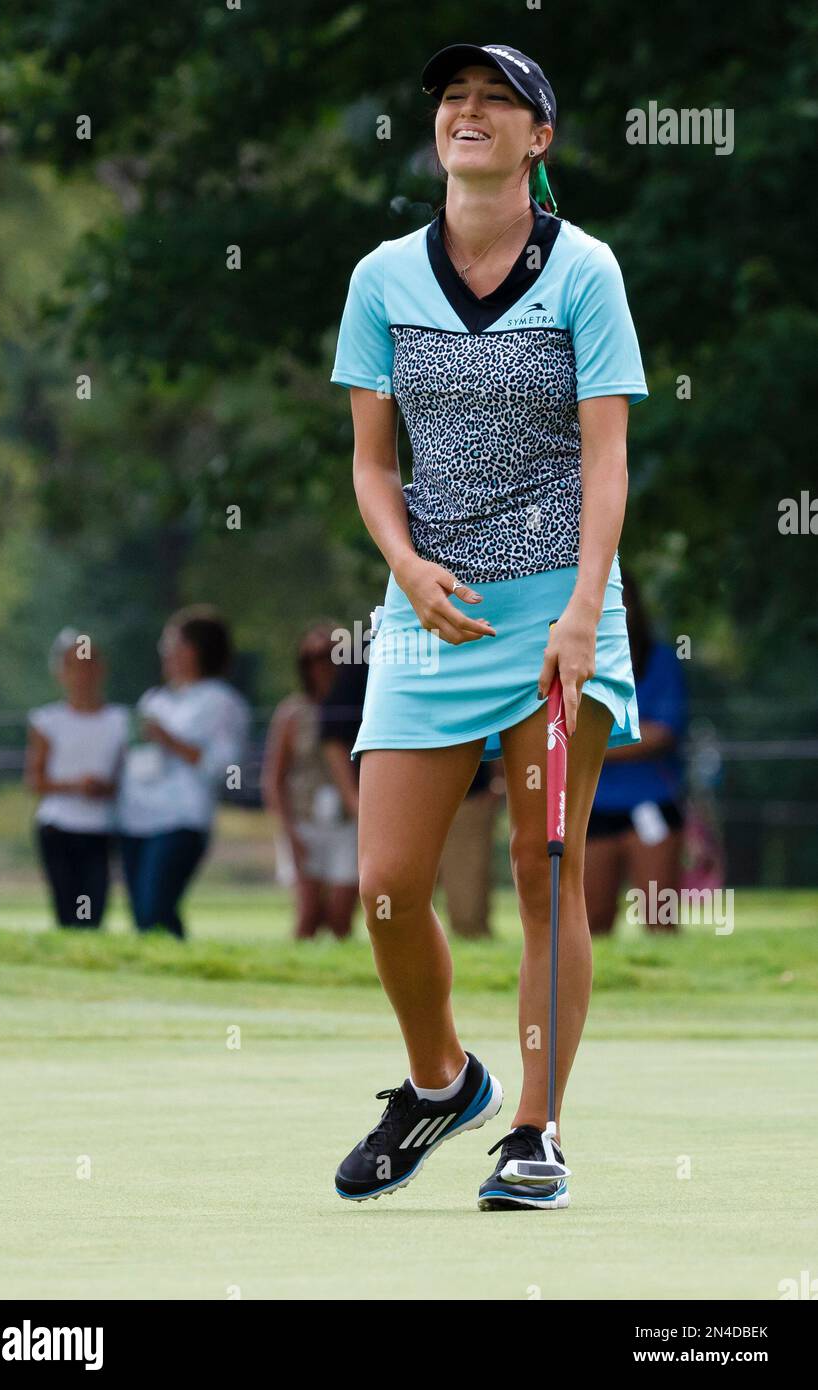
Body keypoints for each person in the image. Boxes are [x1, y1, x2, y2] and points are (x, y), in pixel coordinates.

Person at [329, 43, 648, 1210]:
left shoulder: (585, 272)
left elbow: (607, 460)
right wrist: (405, 567)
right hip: (427, 610)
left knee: (537, 865)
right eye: (452, 100)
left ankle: (534, 1130)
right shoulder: (381, 278)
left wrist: (579, 614)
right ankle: (438, 1080)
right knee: (385, 883)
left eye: (494, 101)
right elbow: (372, 465)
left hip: (558, 610)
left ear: (537, 139)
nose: (466, 113)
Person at [117, 606, 250, 938]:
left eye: (172, 644)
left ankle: (175, 972)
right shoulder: (154, 700)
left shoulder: (222, 702)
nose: (166, 653)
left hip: (181, 819)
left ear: (193, 650)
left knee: (155, 910)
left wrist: (171, 741)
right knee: (142, 916)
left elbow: (225, 767)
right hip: (136, 818)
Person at [585, 569, 688, 934]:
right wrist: (626, 740)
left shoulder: (660, 659)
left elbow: (662, 733)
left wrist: (591, 746)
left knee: (659, 919)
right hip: (592, 809)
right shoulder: (577, 661)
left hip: (651, 803)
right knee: (591, 921)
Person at [25, 629, 129, 929]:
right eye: (74, 666)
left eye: (89, 664)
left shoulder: (120, 721)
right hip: (59, 828)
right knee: (67, 908)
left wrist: (105, 788)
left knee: (92, 908)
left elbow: (128, 779)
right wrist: (75, 786)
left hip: (100, 828)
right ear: (62, 673)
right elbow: (35, 780)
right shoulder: (47, 721)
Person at [263, 623, 359, 940]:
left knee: (341, 916)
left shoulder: (358, 709)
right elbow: (274, 779)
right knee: (308, 914)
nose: (322, 666)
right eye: (312, 659)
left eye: (330, 657)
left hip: (348, 820)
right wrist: (287, 831)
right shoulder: (293, 713)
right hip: (305, 819)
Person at [436, 759, 504, 939]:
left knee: (469, 879)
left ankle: (471, 932)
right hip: (419, 796)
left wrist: (497, 781)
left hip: (471, 797)